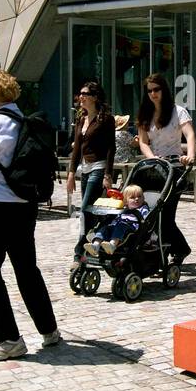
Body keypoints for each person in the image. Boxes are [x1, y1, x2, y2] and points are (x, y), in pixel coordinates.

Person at [0, 68, 60, 362]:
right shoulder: (24, 121)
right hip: (25, 204)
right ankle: (49, 330)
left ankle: (8, 339)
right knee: (26, 268)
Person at [137, 73, 196, 264]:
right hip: (155, 166)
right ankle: (162, 251)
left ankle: (179, 249)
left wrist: (191, 156)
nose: (153, 94)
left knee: (166, 214)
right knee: (148, 211)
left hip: (175, 167)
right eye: (150, 91)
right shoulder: (145, 115)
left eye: (157, 89)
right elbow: (144, 142)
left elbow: (190, 134)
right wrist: (152, 158)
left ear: (164, 90)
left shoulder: (177, 111)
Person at [65, 81, 115, 269]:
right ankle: (96, 242)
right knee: (92, 212)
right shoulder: (80, 119)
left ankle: (79, 254)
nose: (81, 97)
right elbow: (77, 149)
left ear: (95, 97)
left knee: (85, 210)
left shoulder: (106, 119)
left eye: (85, 93)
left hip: (98, 167)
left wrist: (108, 175)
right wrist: (71, 174)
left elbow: (111, 148)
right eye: (80, 93)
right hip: (84, 169)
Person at [84, 184, 150, 255]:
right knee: (104, 228)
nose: (137, 199)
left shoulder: (143, 208)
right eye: (133, 197)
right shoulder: (123, 207)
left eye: (139, 196)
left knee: (121, 226)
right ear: (125, 200)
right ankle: (95, 245)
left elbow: (144, 219)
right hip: (115, 225)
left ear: (143, 198)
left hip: (132, 227)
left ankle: (112, 245)